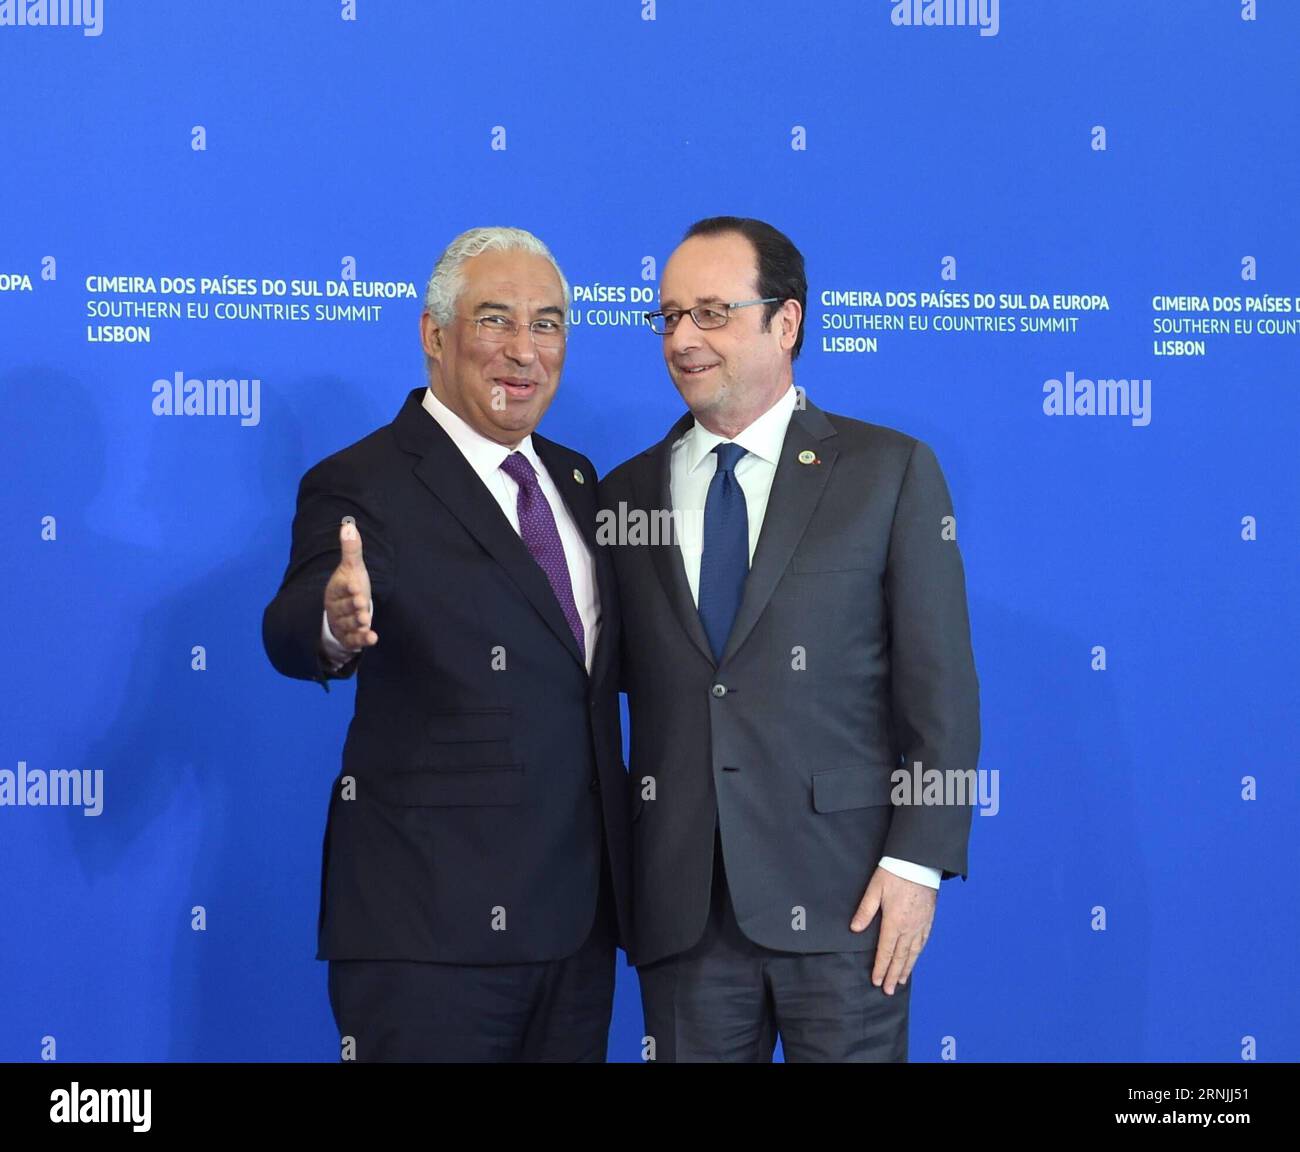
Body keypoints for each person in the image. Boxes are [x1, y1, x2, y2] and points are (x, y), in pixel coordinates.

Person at [599, 216, 980, 1062]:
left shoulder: (889, 472)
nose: (683, 339)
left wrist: (916, 867)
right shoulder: (624, 495)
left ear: (786, 321)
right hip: (683, 918)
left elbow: (940, 692)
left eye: (710, 312)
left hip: (851, 904)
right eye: (667, 317)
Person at [262, 226, 632, 1062]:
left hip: (576, 934)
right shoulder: (363, 479)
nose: (524, 351)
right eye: (495, 320)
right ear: (435, 335)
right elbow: (292, 623)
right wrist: (333, 620)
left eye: (548, 324)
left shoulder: (577, 480)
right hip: (428, 938)